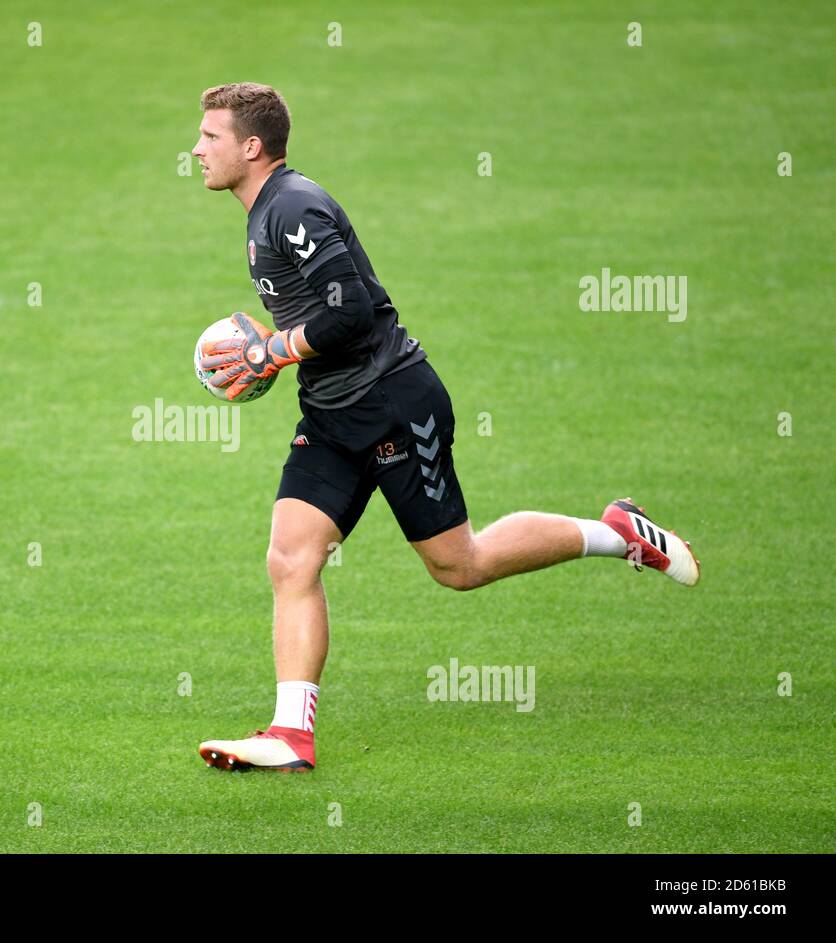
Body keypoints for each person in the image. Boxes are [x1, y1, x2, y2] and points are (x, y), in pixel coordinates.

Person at [189, 83, 700, 773]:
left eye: (210, 137)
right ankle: (290, 736)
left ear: (251, 147)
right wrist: (275, 349)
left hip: (396, 403)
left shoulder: (294, 207)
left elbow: (349, 315)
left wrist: (271, 351)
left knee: (461, 565)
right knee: (291, 558)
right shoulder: (262, 214)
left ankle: (618, 532)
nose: (196, 149)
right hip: (334, 413)